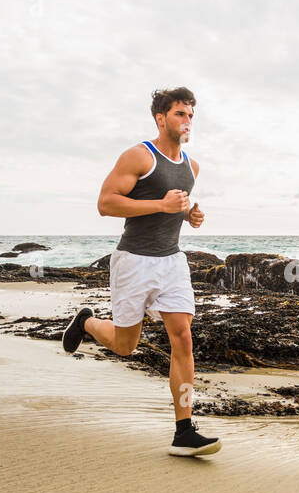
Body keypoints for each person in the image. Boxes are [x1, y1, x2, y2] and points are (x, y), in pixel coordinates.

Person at [61, 87, 221, 457]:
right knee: (125, 345)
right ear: (160, 118)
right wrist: (162, 205)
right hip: (134, 260)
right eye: (180, 114)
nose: (187, 121)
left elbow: (173, 208)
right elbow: (106, 203)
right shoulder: (138, 156)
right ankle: (86, 322)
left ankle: (184, 431)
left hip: (172, 261)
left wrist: (188, 214)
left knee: (182, 337)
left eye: (191, 115)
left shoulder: (191, 167)